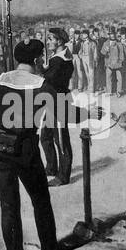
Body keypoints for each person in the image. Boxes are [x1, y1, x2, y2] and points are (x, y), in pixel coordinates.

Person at [0, 39, 97, 250]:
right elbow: (66, 113)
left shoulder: (2, 79)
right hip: (25, 148)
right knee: (40, 201)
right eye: (41, 58)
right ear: (38, 60)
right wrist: (91, 112)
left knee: (9, 206)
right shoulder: (42, 84)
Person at [40, 27, 75, 186]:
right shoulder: (62, 55)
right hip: (53, 101)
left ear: (59, 41)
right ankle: (51, 168)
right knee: (46, 136)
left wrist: (40, 66)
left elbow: (49, 79)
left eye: (50, 39)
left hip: (58, 102)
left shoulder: (59, 60)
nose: (47, 42)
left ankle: (63, 176)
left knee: (61, 140)